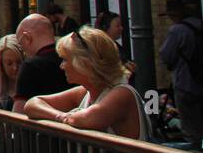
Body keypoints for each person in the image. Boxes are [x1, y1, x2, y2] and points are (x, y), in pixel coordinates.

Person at [24, 27, 153, 140]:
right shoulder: (85, 91)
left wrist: (67, 118)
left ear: (84, 63)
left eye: (65, 59)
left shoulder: (122, 93)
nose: (62, 66)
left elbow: (89, 119)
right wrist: (61, 116)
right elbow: (32, 104)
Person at [159, 0, 203, 149]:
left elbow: (166, 55)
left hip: (186, 84)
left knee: (192, 131)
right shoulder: (199, 25)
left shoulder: (177, 30)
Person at [13, 14, 66, 112]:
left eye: (21, 44)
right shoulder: (70, 59)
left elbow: (18, 114)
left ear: (27, 37)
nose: (23, 52)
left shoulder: (30, 66)